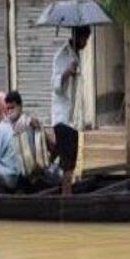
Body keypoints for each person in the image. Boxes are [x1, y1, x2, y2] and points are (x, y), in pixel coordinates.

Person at [51, 26, 90, 194]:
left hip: (72, 120)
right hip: (63, 119)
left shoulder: (76, 55)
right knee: (68, 166)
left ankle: (64, 193)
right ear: (77, 36)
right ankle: (66, 200)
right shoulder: (62, 56)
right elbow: (55, 86)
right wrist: (67, 72)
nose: (86, 43)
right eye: (84, 39)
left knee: (69, 164)